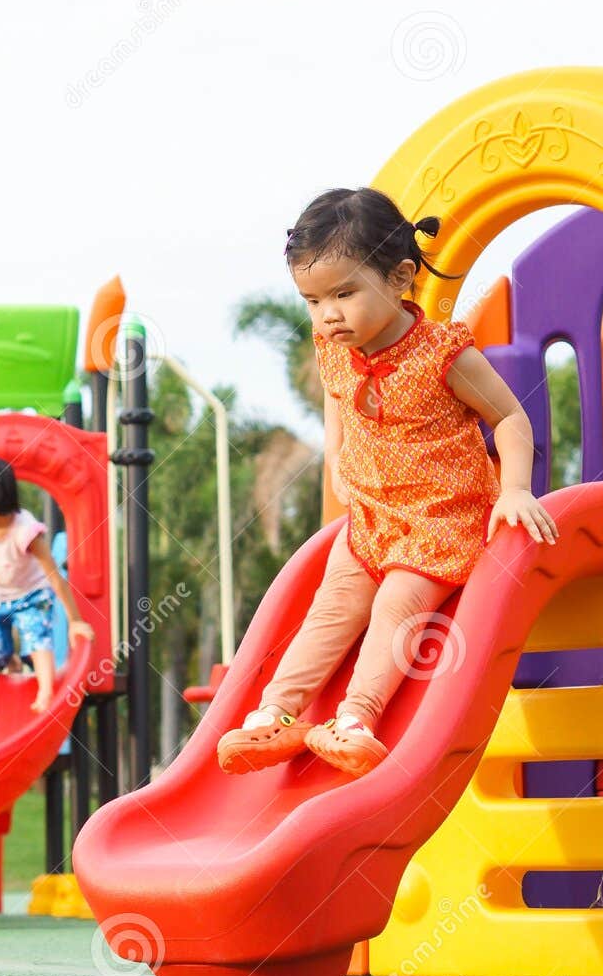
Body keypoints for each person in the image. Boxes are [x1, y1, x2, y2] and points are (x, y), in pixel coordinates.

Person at [219, 187, 558, 778]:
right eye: (312, 300)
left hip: (437, 524)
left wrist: (515, 489)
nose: (327, 314)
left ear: (400, 277)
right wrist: (338, 455)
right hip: (371, 521)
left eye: (344, 293)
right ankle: (274, 713)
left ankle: (355, 719)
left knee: (396, 608)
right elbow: (335, 394)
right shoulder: (333, 345)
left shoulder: (442, 356)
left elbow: (509, 418)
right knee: (332, 609)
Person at [0, 457, 94, 712]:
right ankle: (11, 659)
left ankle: (46, 692)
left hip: (31, 594)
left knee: (36, 636)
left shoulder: (26, 531)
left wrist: (75, 621)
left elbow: (54, 576)